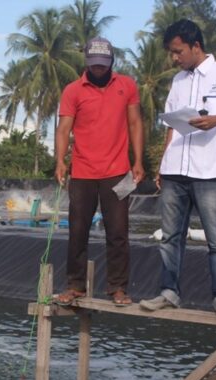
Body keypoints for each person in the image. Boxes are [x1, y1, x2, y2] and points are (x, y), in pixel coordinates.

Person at [139, 19, 216, 319]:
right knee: (170, 237)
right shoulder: (178, 81)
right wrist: (163, 163)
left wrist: (214, 120)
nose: (174, 58)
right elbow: (171, 126)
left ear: (195, 46)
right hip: (175, 169)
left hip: (210, 171)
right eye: (171, 53)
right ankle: (169, 292)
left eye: (178, 52)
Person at [53, 36, 144, 307]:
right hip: (82, 172)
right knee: (77, 231)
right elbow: (63, 129)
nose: (99, 69)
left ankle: (117, 288)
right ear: (87, 63)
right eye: (94, 65)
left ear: (111, 62)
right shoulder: (73, 90)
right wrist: (60, 160)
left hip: (118, 172)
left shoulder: (126, 86)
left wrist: (138, 161)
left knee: (118, 232)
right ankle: (75, 285)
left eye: (103, 65)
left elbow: (136, 123)